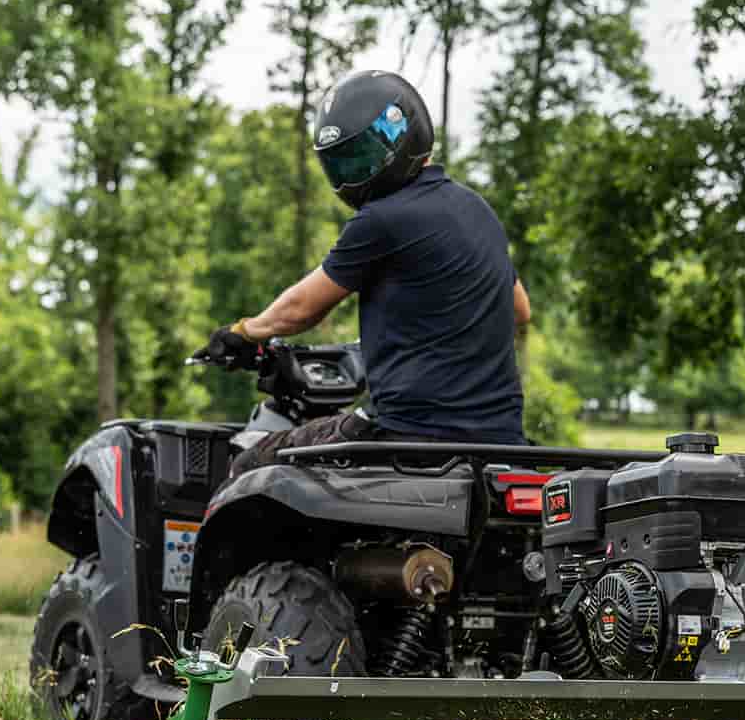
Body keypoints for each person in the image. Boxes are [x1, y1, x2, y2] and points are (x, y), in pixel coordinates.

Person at [211, 69, 532, 475]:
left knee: (251, 464)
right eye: (343, 163)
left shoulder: (381, 219)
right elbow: (519, 309)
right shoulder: (477, 209)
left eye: (363, 158)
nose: (353, 175)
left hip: (409, 435)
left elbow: (297, 310)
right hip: (503, 441)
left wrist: (241, 333)